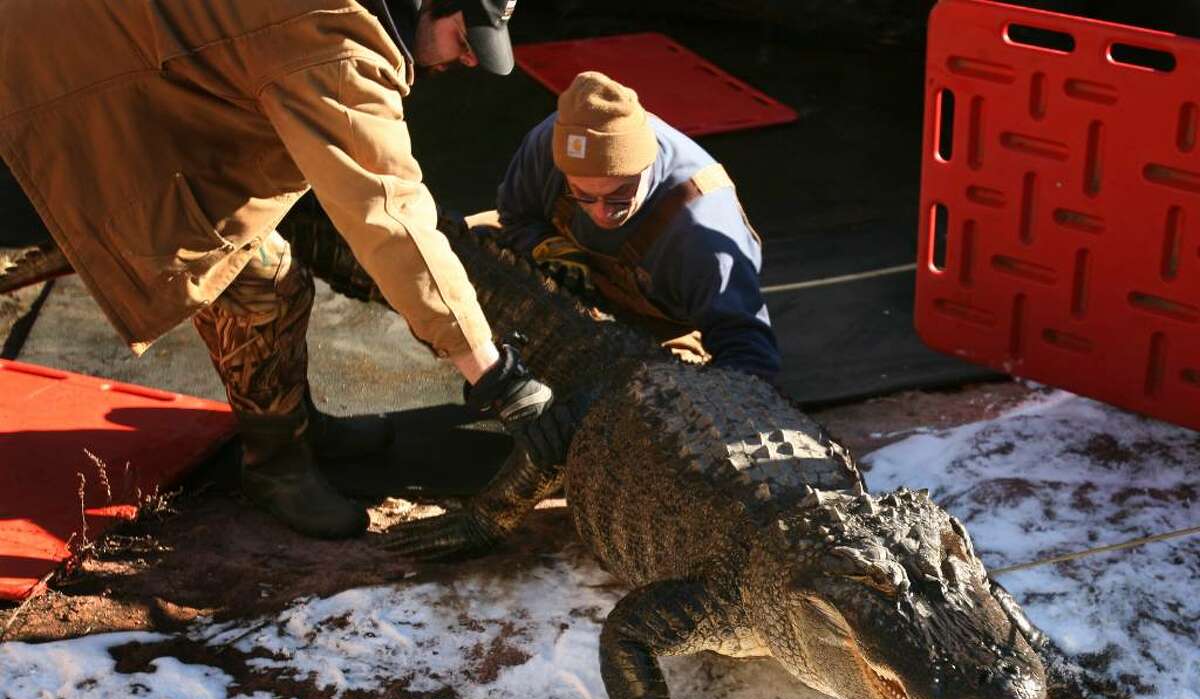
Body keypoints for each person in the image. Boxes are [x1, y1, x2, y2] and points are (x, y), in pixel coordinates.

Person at [0, 0, 568, 540]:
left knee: (267, 246)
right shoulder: (339, 45)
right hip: (59, 88)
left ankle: (292, 423)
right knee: (263, 283)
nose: (469, 59)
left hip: (110, 55)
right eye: (464, 38)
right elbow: (391, 218)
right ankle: (276, 464)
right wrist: (496, 375)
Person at [495, 71, 781, 380]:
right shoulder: (549, 144)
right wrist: (545, 247)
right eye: (583, 195)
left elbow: (748, 351)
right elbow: (515, 217)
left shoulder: (702, 230)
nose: (603, 212)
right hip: (581, 297)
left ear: (647, 166)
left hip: (667, 336)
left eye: (619, 194)